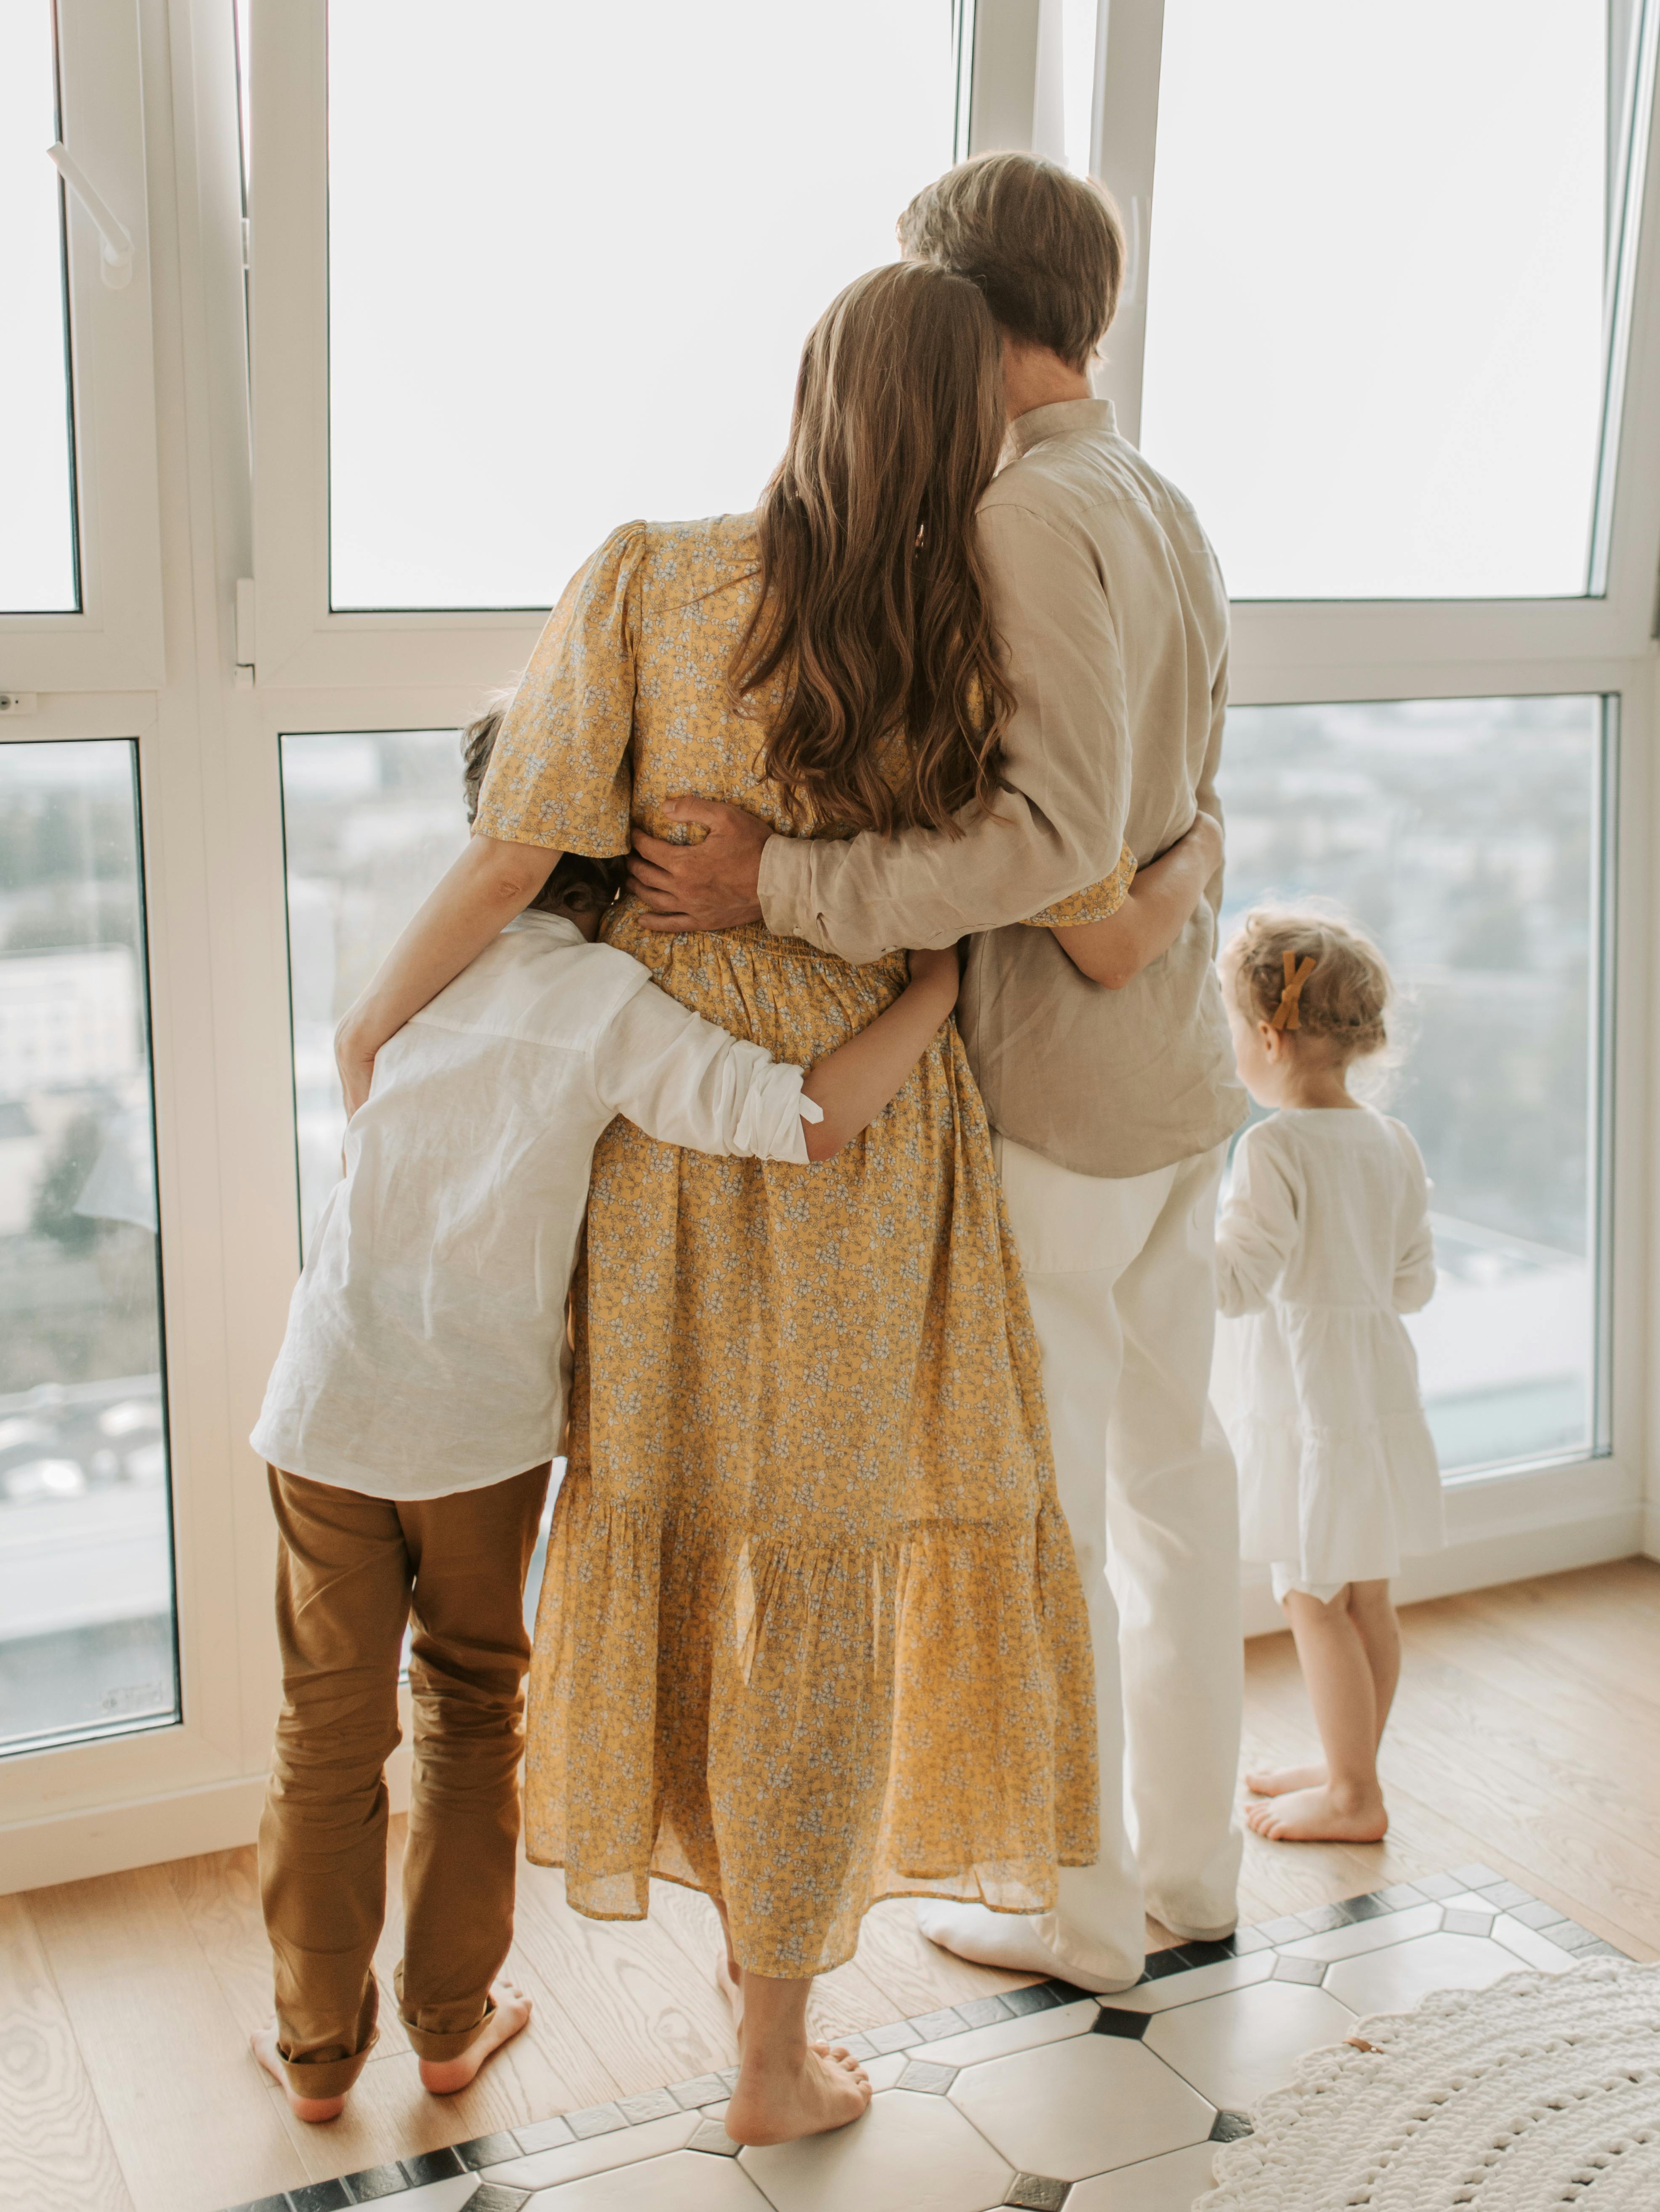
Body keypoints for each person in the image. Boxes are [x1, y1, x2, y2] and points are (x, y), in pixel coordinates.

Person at [332, 261, 1099, 2148]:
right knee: (824, 1565)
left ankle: (689, 2000)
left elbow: (518, 837)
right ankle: (773, 2050)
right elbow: (1000, 882)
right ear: (973, 423)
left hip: (673, 1129)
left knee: (676, 1524)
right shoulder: (972, 624)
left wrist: (375, 1019)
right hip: (863, 1125)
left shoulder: (647, 573)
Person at [628, 152, 1248, 1992]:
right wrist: (1169, 886)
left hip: (1063, 1099)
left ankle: (1083, 1914)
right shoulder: (1160, 496)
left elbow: (1035, 835)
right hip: (1170, 1076)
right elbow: (1178, 798)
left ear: (975, 316)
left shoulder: (1028, 519)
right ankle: (1189, 1876)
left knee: (1048, 1518)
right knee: (1173, 1484)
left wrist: (777, 877)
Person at [248, 704, 964, 2122]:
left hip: (324, 1398)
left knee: (321, 1734)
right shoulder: (602, 1006)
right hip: (473, 1431)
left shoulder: (413, 971)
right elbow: (806, 1119)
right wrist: (932, 991)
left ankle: (316, 2051)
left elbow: (358, 1078)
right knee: (466, 1710)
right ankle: (449, 2026)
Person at [1214, 907, 1444, 1846]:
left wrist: (1180, 1223)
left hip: (1311, 1403)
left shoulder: (1273, 1148)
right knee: (1365, 1596)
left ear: (1268, 1034)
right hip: (1377, 1391)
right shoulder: (1391, 1141)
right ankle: (1352, 1763)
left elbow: (1235, 1285)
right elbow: (1413, 1282)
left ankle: (1354, 1796)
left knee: (1310, 1596)